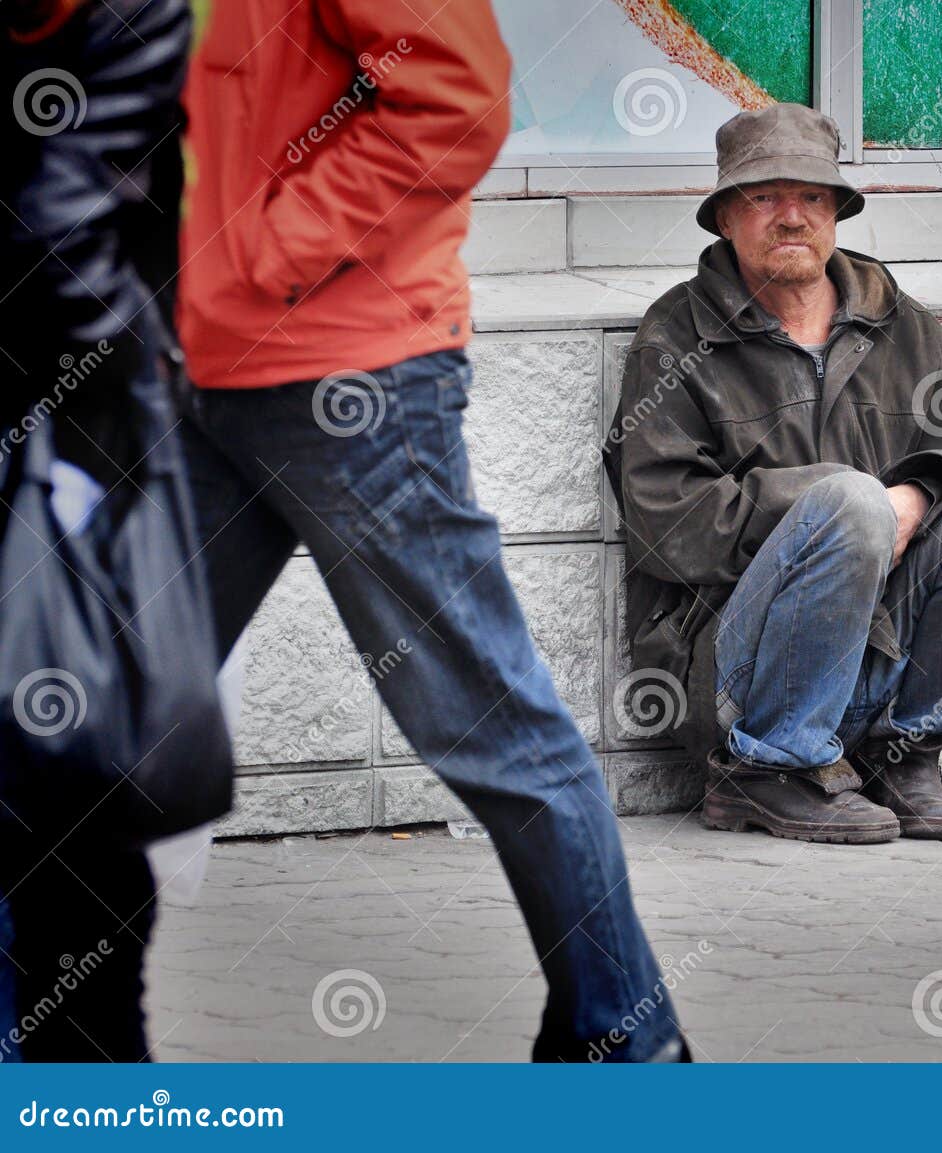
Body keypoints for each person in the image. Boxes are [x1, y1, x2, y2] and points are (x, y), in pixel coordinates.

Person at [177, 0, 682, 1061]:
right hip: (186, 376)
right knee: (70, 722)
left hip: (350, 381)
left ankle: (627, 1051)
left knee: (488, 721)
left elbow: (451, 94)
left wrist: (261, 249)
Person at [605, 104, 942, 846]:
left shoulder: (905, 327)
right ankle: (769, 770)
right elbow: (661, 516)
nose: (790, 216)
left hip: (873, 654)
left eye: (810, 196)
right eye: (763, 197)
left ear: (836, 211)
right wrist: (832, 504)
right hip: (733, 666)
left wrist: (915, 494)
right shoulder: (674, 336)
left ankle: (903, 752)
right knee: (847, 501)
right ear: (725, 219)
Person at [1, 0, 195, 1061]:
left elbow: (73, 241)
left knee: (72, 833)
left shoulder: (128, 21)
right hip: (78, 436)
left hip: (70, 451)